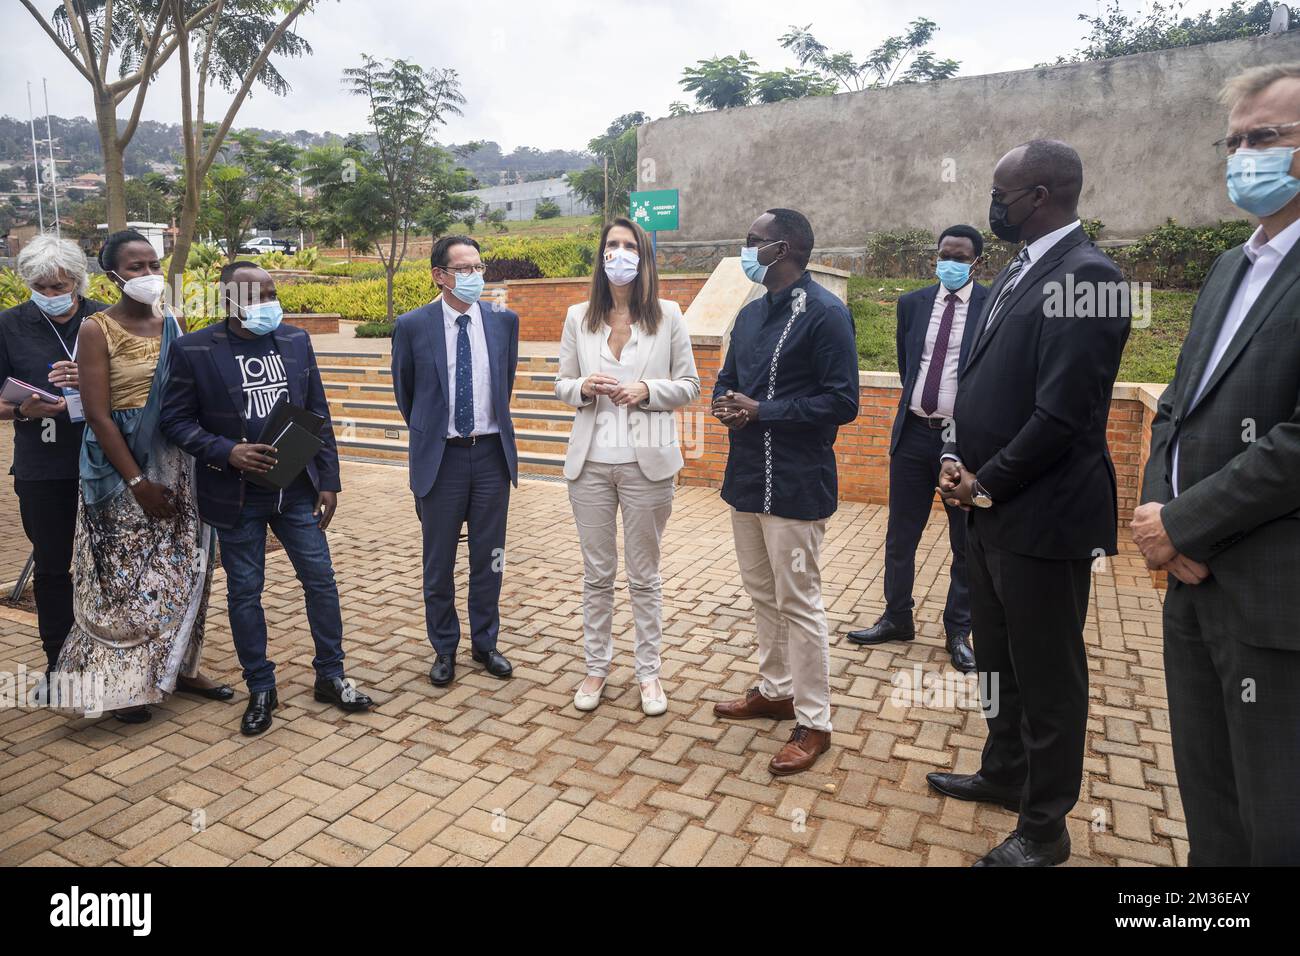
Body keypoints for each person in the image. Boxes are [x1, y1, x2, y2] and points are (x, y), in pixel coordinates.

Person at [929, 141, 1130, 866]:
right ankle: (1002, 770)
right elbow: (978, 385)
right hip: (986, 509)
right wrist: (956, 458)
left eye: (1001, 192)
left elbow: (1064, 415)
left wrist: (988, 480)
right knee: (997, 662)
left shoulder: (1091, 278)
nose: (994, 204)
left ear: (1039, 195)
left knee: (1048, 678)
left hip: (1042, 518)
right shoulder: (1018, 269)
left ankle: (1045, 827)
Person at [1133, 64, 1300, 866]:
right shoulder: (1233, 267)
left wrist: (1185, 523)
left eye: (1264, 137)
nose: (1243, 156)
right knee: (1211, 803)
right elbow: (1175, 406)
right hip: (1192, 586)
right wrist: (1158, 520)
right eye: (1232, 142)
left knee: (1277, 818)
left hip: (1274, 599)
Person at [160, 262, 373, 736]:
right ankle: (260, 686)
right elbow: (175, 421)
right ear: (229, 300)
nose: (268, 303)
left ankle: (331, 675)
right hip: (235, 495)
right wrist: (227, 451)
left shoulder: (295, 341)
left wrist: (329, 480)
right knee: (245, 592)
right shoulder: (193, 348)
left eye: (272, 292)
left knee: (321, 580)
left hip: (296, 489)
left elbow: (317, 412)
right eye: (256, 296)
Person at [50, 230, 231, 722]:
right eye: (135, 266)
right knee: (124, 579)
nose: (149, 273)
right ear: (111, 275)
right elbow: (98, 415)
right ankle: (122, 684)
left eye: (153, 263)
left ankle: (180, 668)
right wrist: (138, 482)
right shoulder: (96, 329)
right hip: (120, 468)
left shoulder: (175, 319)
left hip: (181, 461)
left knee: (186, 569)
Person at [710, 208, 860, 776]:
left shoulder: (826, 313)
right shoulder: (750, 315)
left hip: (796, 482)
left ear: (786, 247)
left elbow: (844, 402)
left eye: (753, 241)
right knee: (760, 592)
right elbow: (728, 378)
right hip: (747, 477)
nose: (744, 250)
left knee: (799, 600)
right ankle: (774, 691)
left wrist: (765, 410)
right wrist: (727, 402)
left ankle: (815, 721)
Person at [555, 217, 700, 716]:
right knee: (597, 575)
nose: (619, 254)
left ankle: (649, 672)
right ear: (601, 256)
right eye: (611, 246)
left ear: (644, 256)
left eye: (629, 246)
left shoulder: (668, 315)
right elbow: (561, 384)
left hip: (648, 465)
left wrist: (647, 391)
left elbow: (690, 384)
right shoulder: (580, 316)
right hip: (590, 465)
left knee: (645, 575)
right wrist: (583, 388)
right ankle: (596, 667)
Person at [846, 225, 987, 672]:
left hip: (964, 440)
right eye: (944, 254)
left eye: (960, 257)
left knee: (964, 542)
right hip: (913, 433)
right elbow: (911, 365)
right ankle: (896, 616)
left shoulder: (990, 307)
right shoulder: (912, 304)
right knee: (900, 534)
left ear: (976, 262)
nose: (950, 262)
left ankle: (959, 631)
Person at [392, 236, 520, 688]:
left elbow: (504, 384)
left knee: (490, 559)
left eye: (478, 268)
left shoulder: (504, 322)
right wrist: (435, 434)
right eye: (463, 269)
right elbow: (406, 396)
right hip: (440, 460)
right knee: (438, 560)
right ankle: (444, 647)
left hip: (490, 457)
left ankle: (485, 643)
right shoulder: (412, 326)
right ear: (439, 276)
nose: (474, 277)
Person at [0, 235, 107, 684]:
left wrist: (90, 383)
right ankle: (60, 663)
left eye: (58, 285)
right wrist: (23, 408)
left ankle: (116, 660)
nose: (48, 294)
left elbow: (144, 390)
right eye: (39, 286)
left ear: (78, 282)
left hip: (106, 463)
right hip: (43, 468)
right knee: (53, 566)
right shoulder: (9, 325)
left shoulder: (103, 318)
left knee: (107, 563)